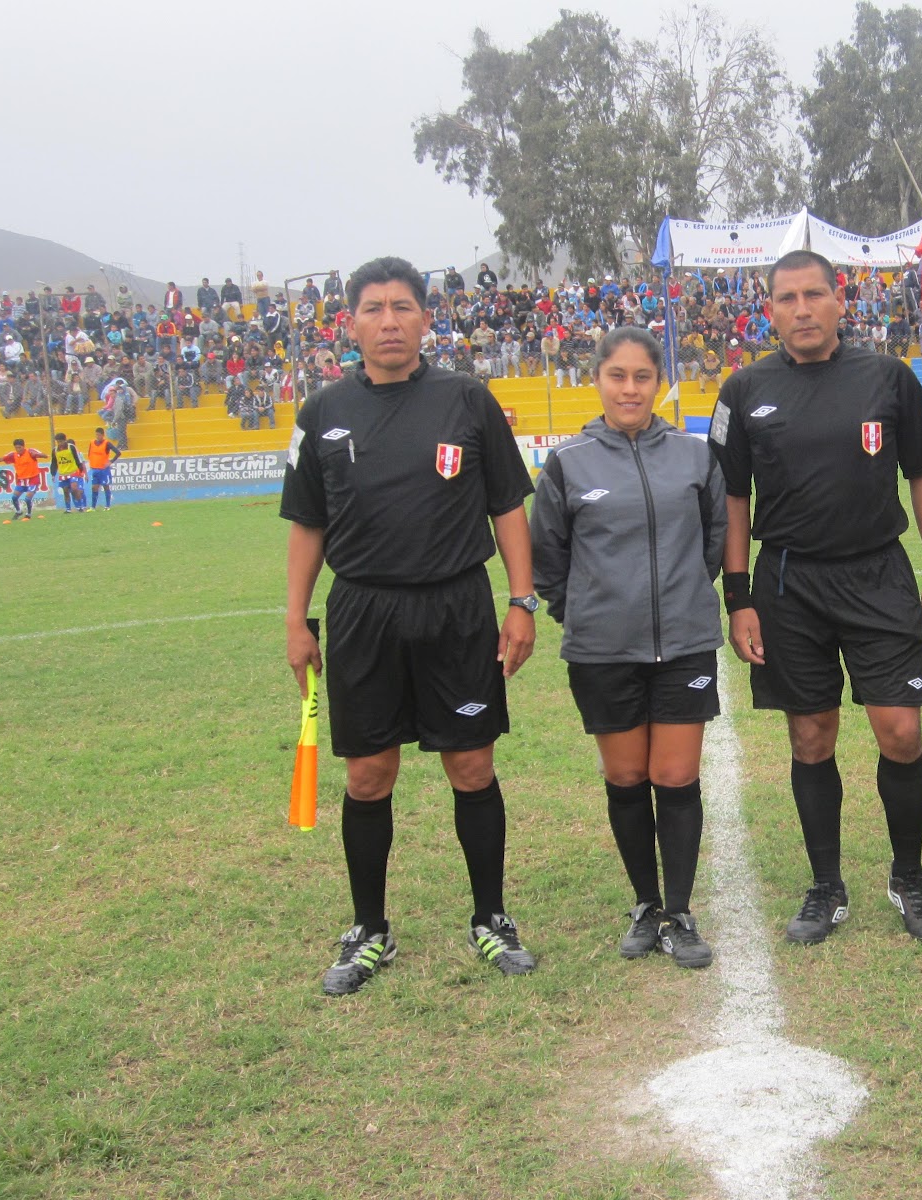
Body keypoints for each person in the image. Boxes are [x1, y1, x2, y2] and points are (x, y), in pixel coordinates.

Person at [280, 256, 540, 996]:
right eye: (372, 308)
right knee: (368, 775)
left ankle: (490, 919)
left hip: (456, 606)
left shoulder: (467, 399)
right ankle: (370, 930)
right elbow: (307, 525)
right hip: (362, 610)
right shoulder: (323, 413)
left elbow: (507, 507)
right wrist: (296, 620)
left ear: (427, 317)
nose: (388, 321)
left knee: (472, 767)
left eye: (402, 307)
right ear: (351, 322)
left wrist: (521, 603)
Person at [710, 250, 922, 946]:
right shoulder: (744, 389)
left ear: (840, 300)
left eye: (814, 294)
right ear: (770, 310)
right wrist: (738, 597)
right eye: (786, 298)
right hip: (787, 582)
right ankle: (826, 885)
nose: (802, 309)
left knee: (900, 732)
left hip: (878, 573)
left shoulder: (887, 379)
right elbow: (732, 497)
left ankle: (908, 876)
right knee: (810, 734)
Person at [530, 328, 726, 969]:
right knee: (625, 776)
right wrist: (584, 609)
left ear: (659, 382)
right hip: (603, 650)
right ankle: (645, 904)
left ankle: (678, 910)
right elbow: (548, 559)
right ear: (598, 380)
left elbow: (715, 541)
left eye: (642, 376)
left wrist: (681, 596)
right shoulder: (568, 462)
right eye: (617, 375)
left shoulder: (694, 456)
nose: (630, 388)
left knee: (674, 776)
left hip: (683, 645)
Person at [0, 438, 47, 519]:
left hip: (33, 479)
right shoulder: (13, 455)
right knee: (14, 497)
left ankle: (28, 514)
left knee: (27, 499)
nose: (18, 449)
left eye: (20, 447)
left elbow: (44, 455)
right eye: (16, 448)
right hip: (21, 480)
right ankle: (18, 511)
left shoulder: (30, 451)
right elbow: (1, 459)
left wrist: (37, 455)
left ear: (23, 446)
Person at [51, 432, 88, 513]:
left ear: (65, 440)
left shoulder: (71, 447)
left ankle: (80, 506)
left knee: (74, 488)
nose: (59, 443)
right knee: (66, 491)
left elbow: (77, 458)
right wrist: (53, 474)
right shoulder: (55, 450)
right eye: (58, 442)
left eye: (61, 441)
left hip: (73, 471)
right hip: (63, 473)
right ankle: (68, 509)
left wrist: (80, 469)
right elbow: (54, 463)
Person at [87, 426, 121, 510]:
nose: (97, 437)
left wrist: (111, 461)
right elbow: (89, 454)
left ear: (103, 435)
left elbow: (118, 453)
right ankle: (93, 507)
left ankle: (107, 506)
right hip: (95, 469)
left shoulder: (107, 443)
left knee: (106, 486)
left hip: (103, 470)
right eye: (96, 435)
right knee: (94, 487)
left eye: (99, 435)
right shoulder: (92, 443)